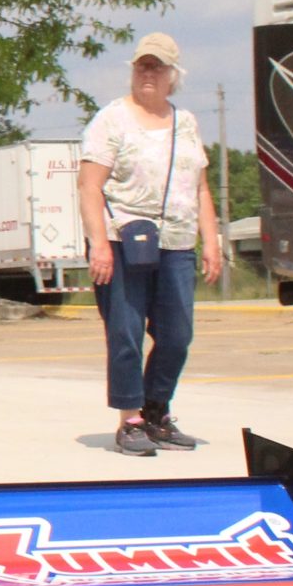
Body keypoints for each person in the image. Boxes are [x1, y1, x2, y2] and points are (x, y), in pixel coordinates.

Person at [78, 34, 223, 457]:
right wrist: (98, 244)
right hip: (124, 237)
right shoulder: (112, 120)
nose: (148, 73)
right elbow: (90, 186)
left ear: (172, 76)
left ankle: (158, 408)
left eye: (157, 67)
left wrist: (211, 239)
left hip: (176, 241)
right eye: (142, 65)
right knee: (125, 330)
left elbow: (200, 187)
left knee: (177, 333)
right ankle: (130, 418)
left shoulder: (187, 123)